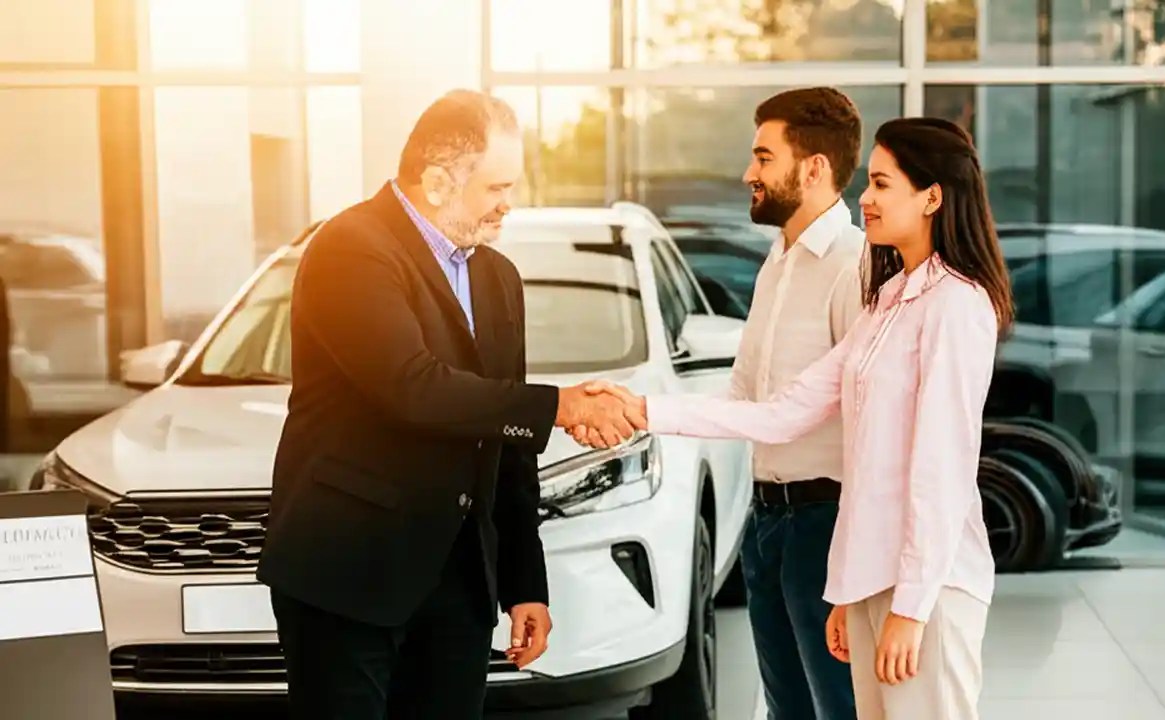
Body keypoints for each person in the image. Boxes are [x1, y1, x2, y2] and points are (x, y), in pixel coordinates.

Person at [583, 117, 1013, 720]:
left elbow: (940, 469)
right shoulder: (889, 300)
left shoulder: (957, 305)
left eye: (883, 185)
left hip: (928, 590)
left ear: (932, 197)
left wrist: (911, 609)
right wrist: (639, 409)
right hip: (870, 584)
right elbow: (783, 414)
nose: (865, 197)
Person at [256, 89, 643, 720]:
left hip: (458, 586)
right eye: (496, 187)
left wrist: (525, 585)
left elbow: (504, 442)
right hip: (349, 575)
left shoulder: (498, 278)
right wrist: (561, 407)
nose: (507, 204)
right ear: (438, 181)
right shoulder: (349, 248)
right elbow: (412, 386)